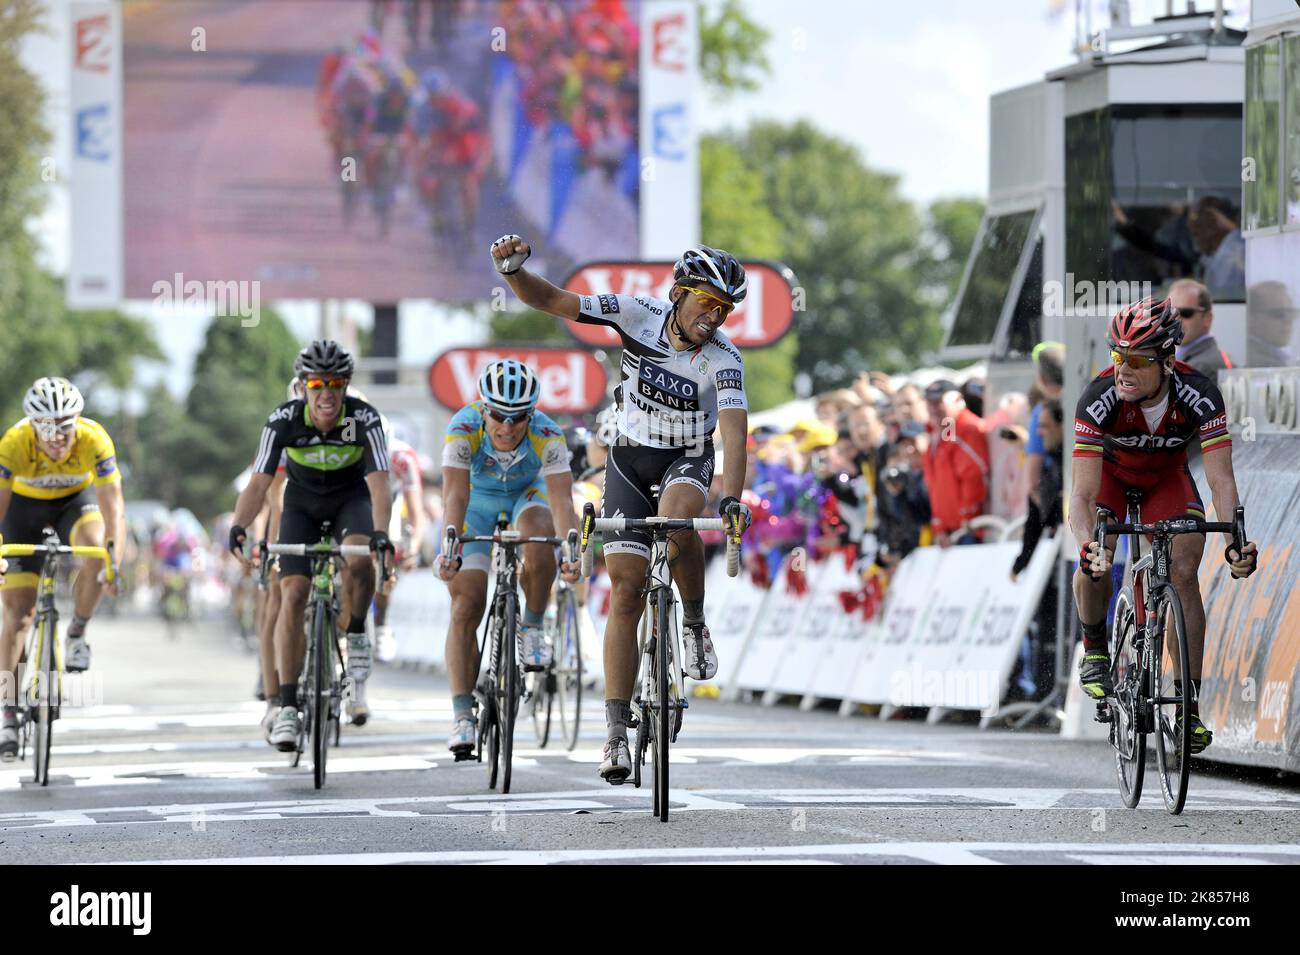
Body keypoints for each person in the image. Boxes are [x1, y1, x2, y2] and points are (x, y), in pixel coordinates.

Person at [488, 234, 753, 784]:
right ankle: (614, 733)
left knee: (678, 523)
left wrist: (731, 498)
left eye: (725, 309)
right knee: (627, 589)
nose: (715, 315)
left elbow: (733, 431)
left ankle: (695, 623)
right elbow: (558, 301)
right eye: (708, 302)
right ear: (679, 293)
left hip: (687, 457)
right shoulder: (636, 314)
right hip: (629, 461)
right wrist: (513, 274)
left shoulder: (724, 358)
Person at [1070, 298, 1258, 754]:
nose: (1123, 370)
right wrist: (1087, 545)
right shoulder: (1099, 398)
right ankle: (1095, 646)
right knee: (1096, 557)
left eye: (1136, 360)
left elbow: (1221, 479)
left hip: (1166, 480)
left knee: (1183, 572)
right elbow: (1081, 495)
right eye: (1117, 356)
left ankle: (1187, 708)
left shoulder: (1199, 393)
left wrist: (1236, 539)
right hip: (1111, 480)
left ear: (1168, 361)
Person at [228, 341, 394, 750]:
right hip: (301, 504)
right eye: (317, 384)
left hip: (350, 499)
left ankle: (355, 633)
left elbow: (379, 486)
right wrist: (239, 525)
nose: (326, 395)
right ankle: (286, 706)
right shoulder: (283, 419)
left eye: (336, 385)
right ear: (303, 386)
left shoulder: (364, 418)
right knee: (293, 593)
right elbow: (259, 485)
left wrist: (381, 533)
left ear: (346, 387)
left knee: (358, 561)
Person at [435, 359, 581, 757]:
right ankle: (463, 714)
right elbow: (454, 496)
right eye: (499, 414)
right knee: (466, 605)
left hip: (526, 497)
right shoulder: (463, 427)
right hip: (474, 503)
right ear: (484, 408)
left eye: (518, 417)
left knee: (540, 535)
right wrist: (450, 544)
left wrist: (571, 547)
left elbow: (561, 499)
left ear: (531, 414)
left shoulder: (548, 434)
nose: (508, 426)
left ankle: (532, 625)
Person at [0, 378, 124, 759]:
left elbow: (113, 503)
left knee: (95, 548)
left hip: (75, 501)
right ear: (33, 426)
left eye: (64, 426)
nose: (56, 437)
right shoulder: (14, 443)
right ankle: (6, 709)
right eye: (46, 427)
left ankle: (76, 632)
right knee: (19, 614)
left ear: (78, 421)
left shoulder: (95, 439)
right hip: (23, 509)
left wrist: (113, 559)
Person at [921, 379, 989, 547]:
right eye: (929, 403)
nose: (933, 408)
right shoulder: (944, 432)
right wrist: (940, 525)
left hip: (971, 530)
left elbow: (973, 475)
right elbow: (936, 486)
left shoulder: (965, 429)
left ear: (958, 400)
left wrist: (968, 514)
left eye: (938, 402)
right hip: (955, 532)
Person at [1169, 279, 1233, 377]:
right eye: (1171, 312)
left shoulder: (1202, 367)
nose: (1176, 319)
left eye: (1186, 313)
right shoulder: (1187, 359)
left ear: (1207, 318)